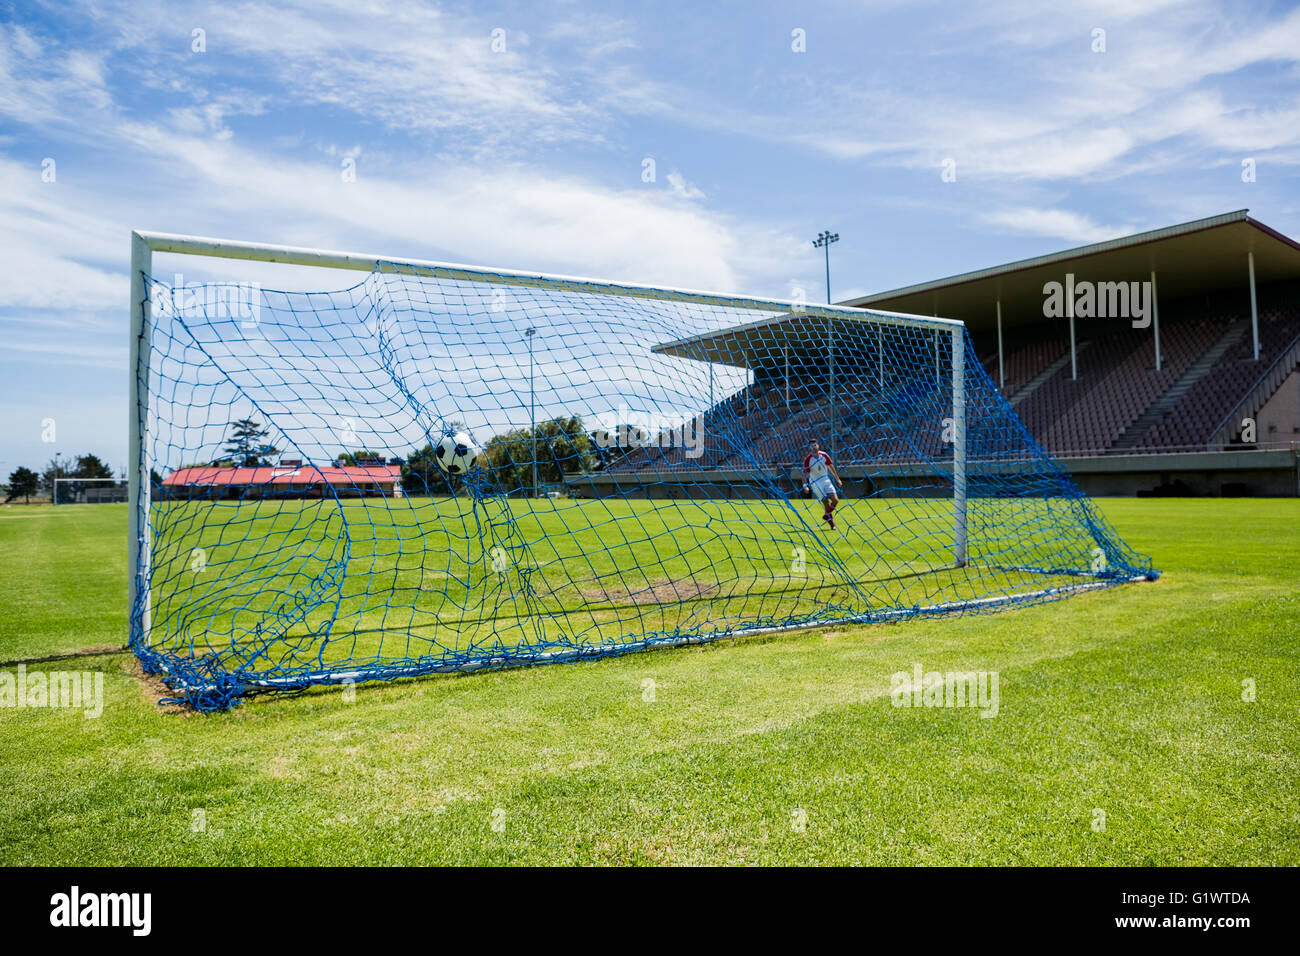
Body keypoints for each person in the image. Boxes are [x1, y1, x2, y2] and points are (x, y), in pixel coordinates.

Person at [802, 438, 843, 529]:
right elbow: (804, 475)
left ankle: (827, 515)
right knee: (825, 501)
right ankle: (832, 525)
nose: (814, 447)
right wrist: (805, 486)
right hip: (815, 482)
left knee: (836, 500)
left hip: (825, 479)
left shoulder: (824, 455)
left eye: (815, 444)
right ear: (810, 448)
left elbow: (831, 468)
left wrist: (838, 479)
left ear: (818, 445)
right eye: (811, 445)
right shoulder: (808, 459)